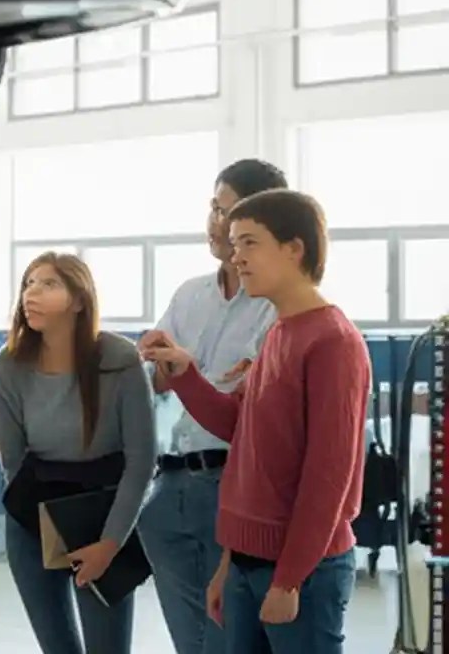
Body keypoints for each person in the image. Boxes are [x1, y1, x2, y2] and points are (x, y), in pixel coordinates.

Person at [142, 189, 370, 654]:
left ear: (294, 248)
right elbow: (241, 432)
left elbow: (329, 475)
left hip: (300, 572)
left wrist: (289, 580)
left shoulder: (332, 342)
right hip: (247, 564)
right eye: (233, 242)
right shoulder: (279, 334)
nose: (236, 255)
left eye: (249, 243)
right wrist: (230, 561)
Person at [137, 159, 287, 654]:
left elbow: (253, 414)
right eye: (212, 208)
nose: (214, 223)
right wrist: (155, 359)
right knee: (191, 644)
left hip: (233, 487)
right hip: (169, 490)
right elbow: (157, 379)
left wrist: (187, 372)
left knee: (229, 641)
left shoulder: (277, 311)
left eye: (225, 213)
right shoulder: (189, 295)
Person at [0, 252, 156, 654]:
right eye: (28, 283)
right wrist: (44, 529)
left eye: (49, 284)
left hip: (103, 512)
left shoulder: (119, 359)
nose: (32, 292)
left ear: (80, 299)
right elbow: (12, 460)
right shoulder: (7, 366)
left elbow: (142, 460)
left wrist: (111, 543)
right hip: (35, 515)